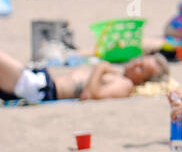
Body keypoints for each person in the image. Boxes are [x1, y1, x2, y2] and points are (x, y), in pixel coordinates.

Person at [0, 47, 168, 104]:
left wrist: (99, 69)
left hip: (40, 90)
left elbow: (91, 95)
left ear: (143, 80)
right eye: (139, 61)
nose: (135, 64)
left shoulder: (125, 85)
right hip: (39, 82)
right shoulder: (117, 72)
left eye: (141, 69)